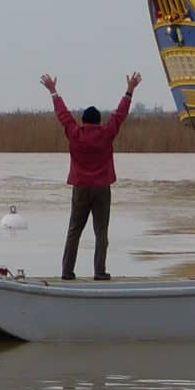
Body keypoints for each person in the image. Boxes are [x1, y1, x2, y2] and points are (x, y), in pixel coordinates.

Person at [41, 71, 141, 281]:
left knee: (74, 230)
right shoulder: (106, 133)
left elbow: (63, 115)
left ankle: (67, 271)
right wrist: (130, 90)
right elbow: (120, 115)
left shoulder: (75, 133)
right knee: (101, 232)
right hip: (102, 187)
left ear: (84, 121)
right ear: (98, 121)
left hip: (80, 187)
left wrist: (53, 91)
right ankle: (99, 271)